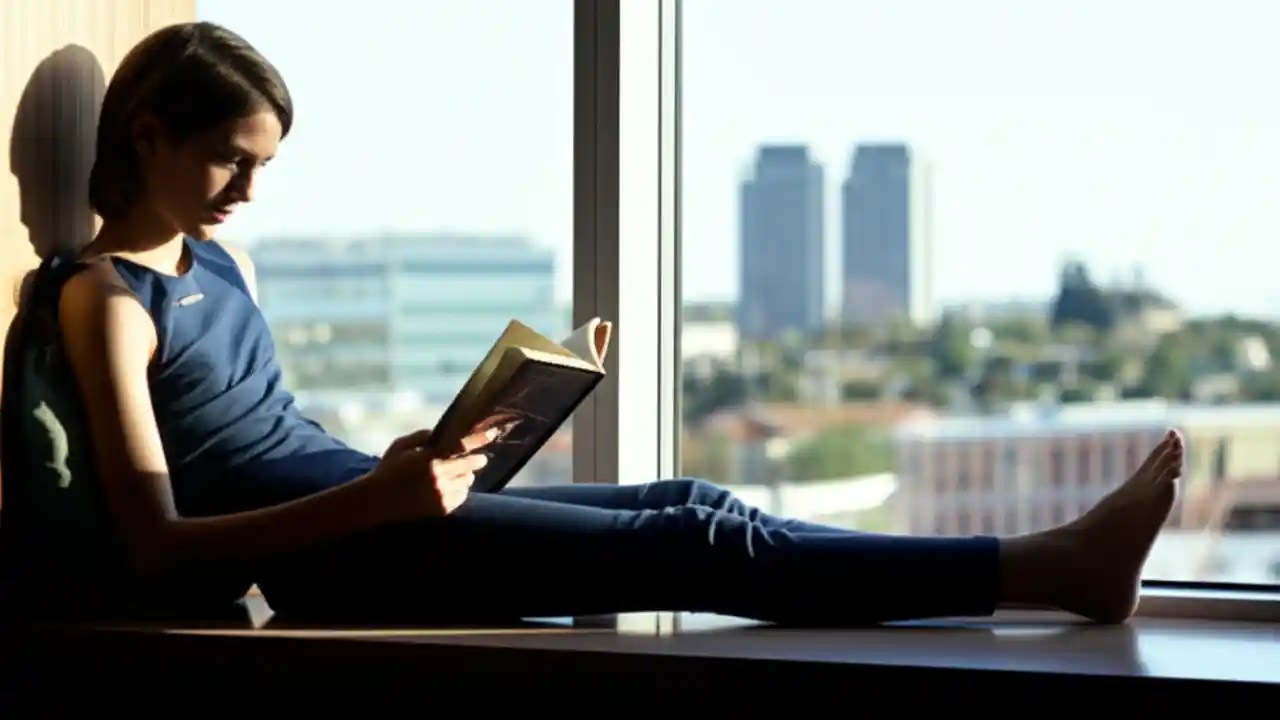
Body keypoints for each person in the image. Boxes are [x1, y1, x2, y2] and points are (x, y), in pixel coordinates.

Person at [0, 21, 1183, 627]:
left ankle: (1054, 564)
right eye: (225, 158)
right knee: (694, 547)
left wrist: (502, 420)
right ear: (146, 135)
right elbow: (157, 541)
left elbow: (282, 447)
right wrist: (376, 502)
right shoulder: (107, 301)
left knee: (696, 502)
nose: (246, 189)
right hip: (338, 555)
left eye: (260, 164)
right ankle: (1049, 568)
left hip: (368, 506)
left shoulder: (225, 259)